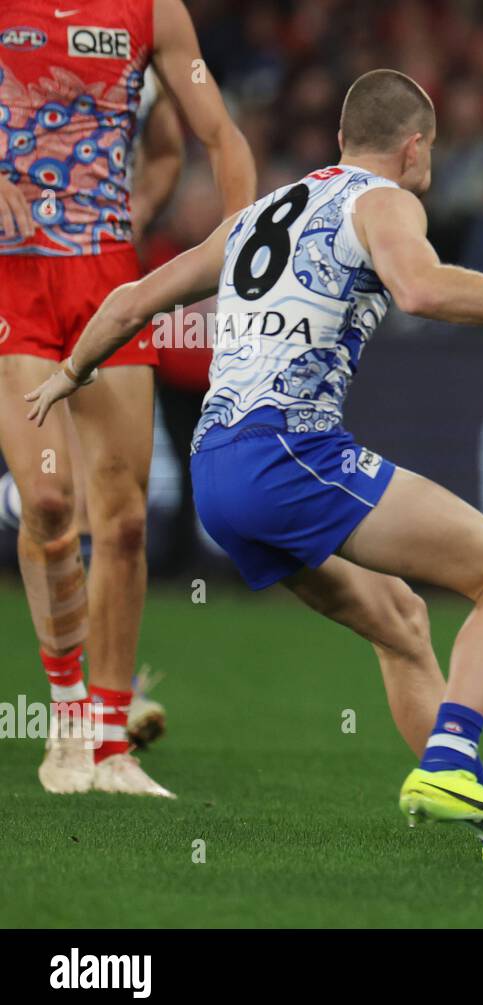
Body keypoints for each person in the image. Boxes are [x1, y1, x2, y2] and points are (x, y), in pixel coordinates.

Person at [25, 69, 483, 859]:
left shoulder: (259, 213)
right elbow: (423, 290)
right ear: (416, 147)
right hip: (288, 452)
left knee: (401, 621)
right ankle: (449, 763)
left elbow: (132, 301)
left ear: (341, 139)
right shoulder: (385, 201)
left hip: (216, 472)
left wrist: (69, 373)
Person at [0, 0, 256, 796]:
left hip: (106, 276)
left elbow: (216, 134)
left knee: (125, 521)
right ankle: (67, 715)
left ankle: (111, 743)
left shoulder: (152, 11)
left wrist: (241, 244)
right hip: (13, 275)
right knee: (48, 501)